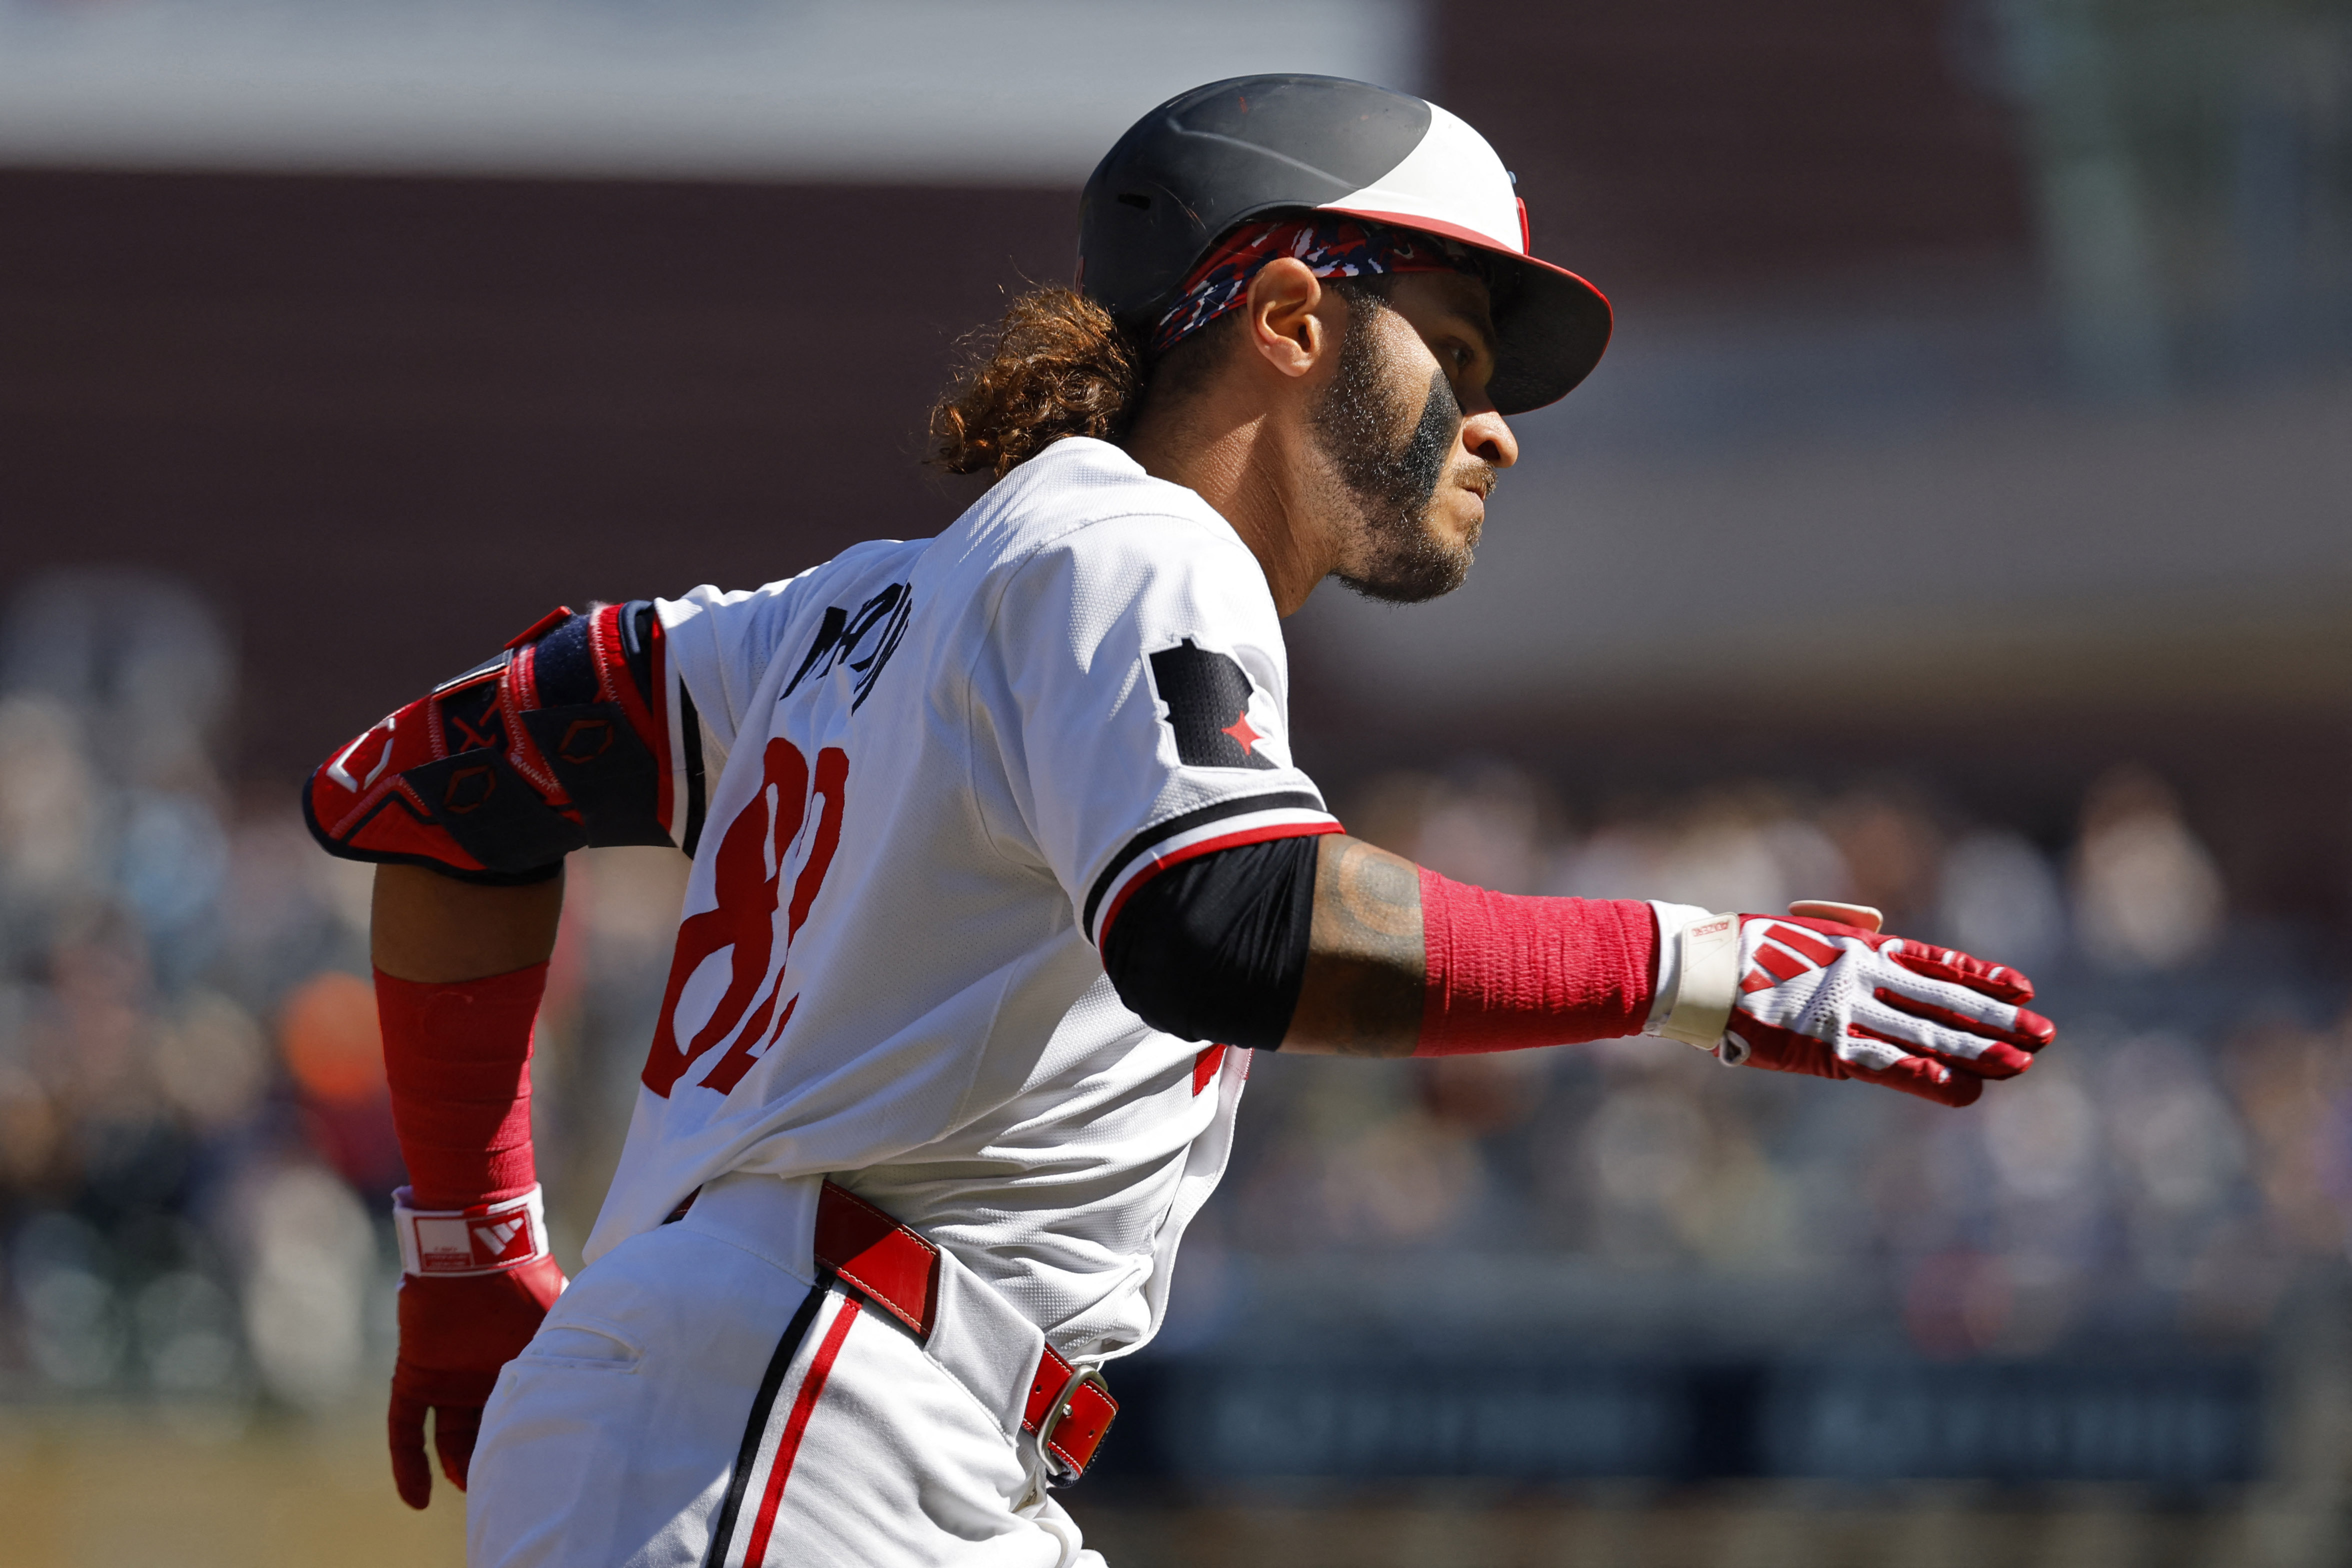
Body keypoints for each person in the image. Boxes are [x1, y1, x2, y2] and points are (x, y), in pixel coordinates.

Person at [306, 74, 2055, 1568]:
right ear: (1291, 317)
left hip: (847, 1413)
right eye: (1453, 348)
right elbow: (1230, 923)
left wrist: (474, 1256)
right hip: (794, 1414)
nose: (1497, 428)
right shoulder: (1137, 547)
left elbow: (435, 791)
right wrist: (1708, 967)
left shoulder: (840, 614)